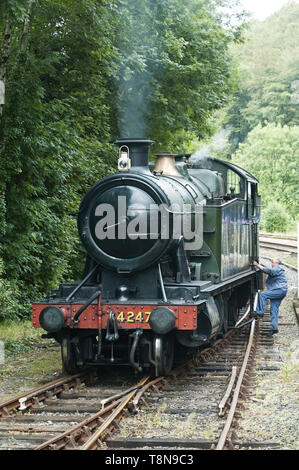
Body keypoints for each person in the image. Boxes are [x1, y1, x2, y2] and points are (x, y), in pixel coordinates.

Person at [252, 258, 288, 337]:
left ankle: (260, 312)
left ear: (277, 263)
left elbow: (270, 271)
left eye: (273, 262)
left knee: (263, 295)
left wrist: (257, 265)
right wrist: (260, 266)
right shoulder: (278, 268)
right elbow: (268, 269)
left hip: (279, 289)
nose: (272, 264)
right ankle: (274, 328)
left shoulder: (278, 267)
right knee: (274, 309)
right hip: (281, 291)